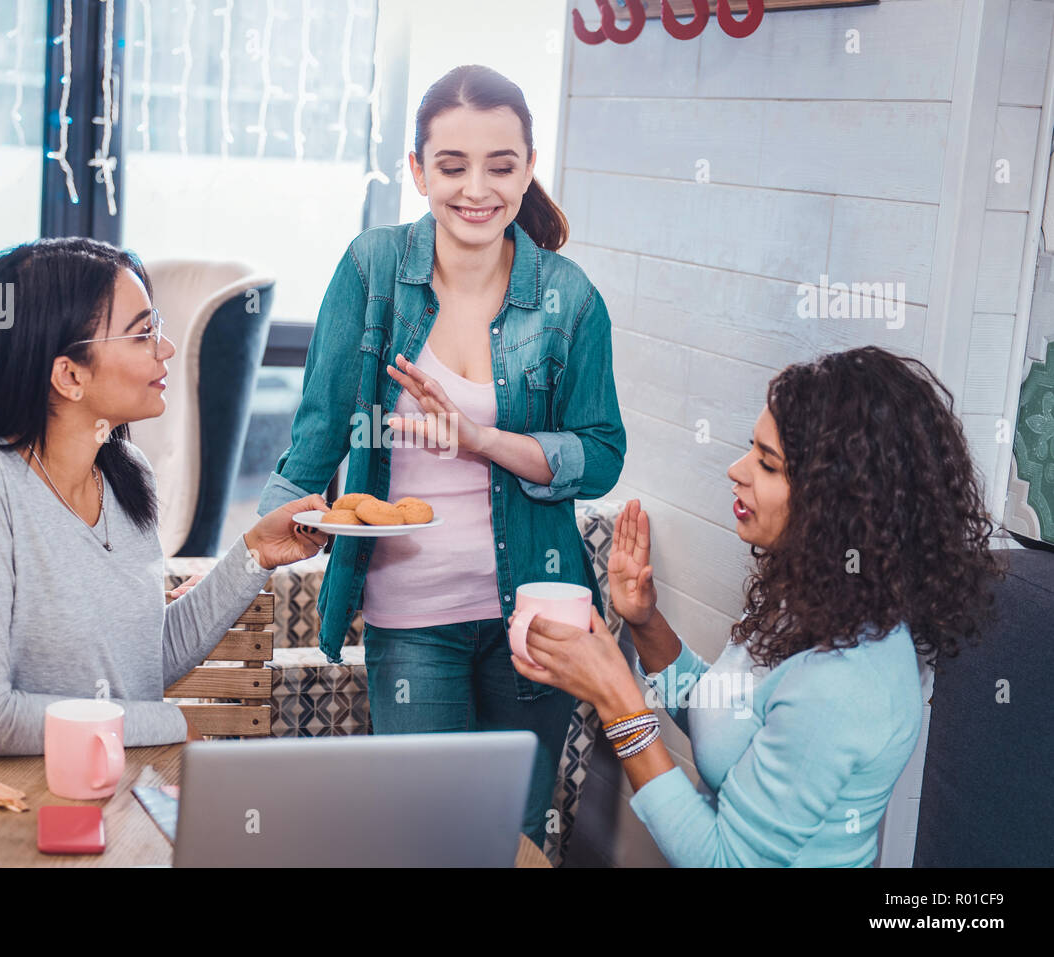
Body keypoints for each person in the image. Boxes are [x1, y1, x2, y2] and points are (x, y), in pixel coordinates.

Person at [258, 65, 625, 848]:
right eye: (452, 166)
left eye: (501, 165)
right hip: (412, 612)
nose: (477, 190)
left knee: (511, 834)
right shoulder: (373, 271)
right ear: (418, 170)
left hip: (540, 613)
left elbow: (601, 457)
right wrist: (259, 539)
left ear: (528, 168)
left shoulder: (570, 297)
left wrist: (483, 440)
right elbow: (320, 431)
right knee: (421, 835)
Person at [513, 346, 1004, 865]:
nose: (736, 469)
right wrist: (644, 621)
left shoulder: (847, 681)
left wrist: (616, 701)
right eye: (753, 450)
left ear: (836, 501)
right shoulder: (816, 600)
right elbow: (729, 720)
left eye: (768, 464)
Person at [0, 237, 329, 756]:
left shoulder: (126, 473)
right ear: (69, 375)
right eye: (142, 334)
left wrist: (256, 554)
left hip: (120, 790)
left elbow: (139, 664)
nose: (166, 348)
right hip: (23, 807)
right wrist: (166, 724)